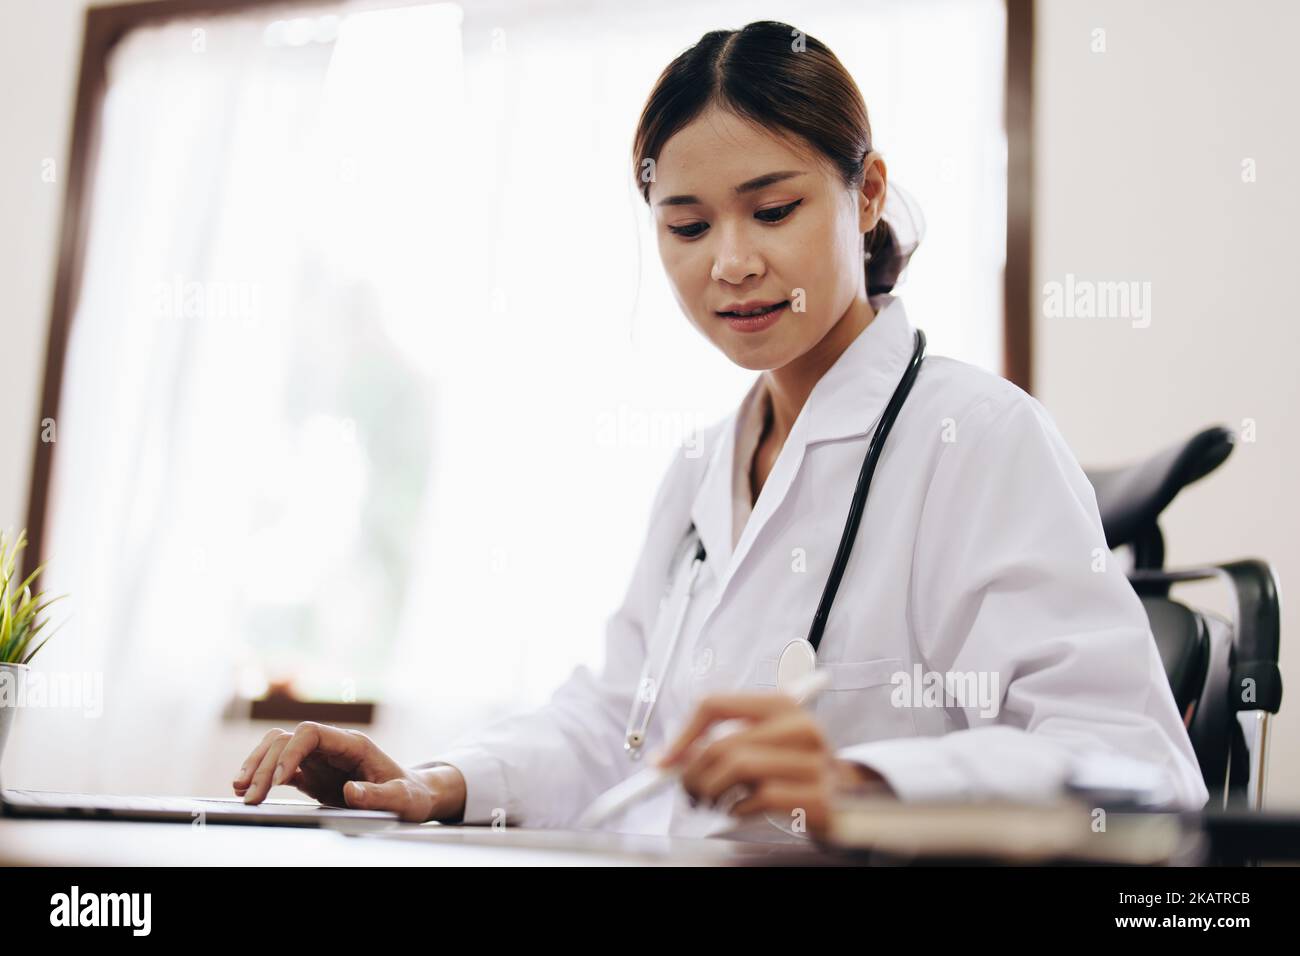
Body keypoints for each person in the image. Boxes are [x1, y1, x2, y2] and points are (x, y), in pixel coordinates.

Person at [233, 20, 1208, 842]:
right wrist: (440, 779)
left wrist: (863, 783)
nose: (730, 263)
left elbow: (1135, 764)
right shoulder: (701, 467)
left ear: (865, 194)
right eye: (686, 226)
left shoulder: (980, 436)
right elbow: (618, 725)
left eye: (773, 209)